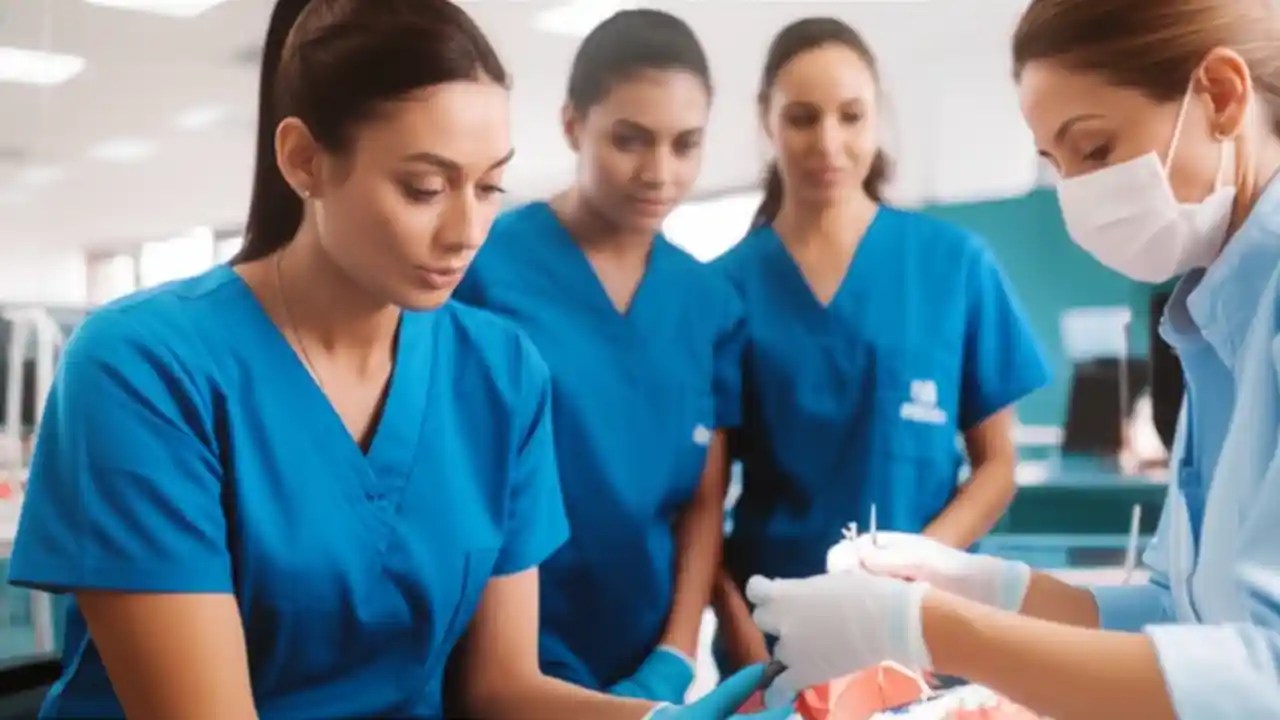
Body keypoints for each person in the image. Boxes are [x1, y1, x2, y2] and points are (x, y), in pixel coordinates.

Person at [5, 1, 790, 718]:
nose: (466, 232)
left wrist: (663, 717)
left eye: (489, 187)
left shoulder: (502, 375)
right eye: (424, 188)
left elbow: (500, 689)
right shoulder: (146, 370)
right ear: (305, 160)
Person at [746, 1, 1280, 718]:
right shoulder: (1219, 324)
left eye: (1093, 150)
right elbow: (1178, 616)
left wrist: (924, 627)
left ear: (1220, 95)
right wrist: (991, 588)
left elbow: (1264, 678)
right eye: (1056, 165)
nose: (1079, 196)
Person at [710, 17, 1049, 671]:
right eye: (802, 118)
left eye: (851, 116)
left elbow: (996, 465)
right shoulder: (723, 291)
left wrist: (914, 569)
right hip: (778, 633)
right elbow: (701, 500)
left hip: (927, 628)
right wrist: (737, 622)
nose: (828, 143)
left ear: (878, 119)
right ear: (766, 122)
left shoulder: (954, 265)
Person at [454, 9, 743, 705]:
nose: (659, 172)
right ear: (571, 125)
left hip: (644, 660)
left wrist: (675, 652)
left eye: (686, 144)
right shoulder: (481, 270)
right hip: (497, 661)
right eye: (630, 140)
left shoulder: (707, 304)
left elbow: (704, 500)